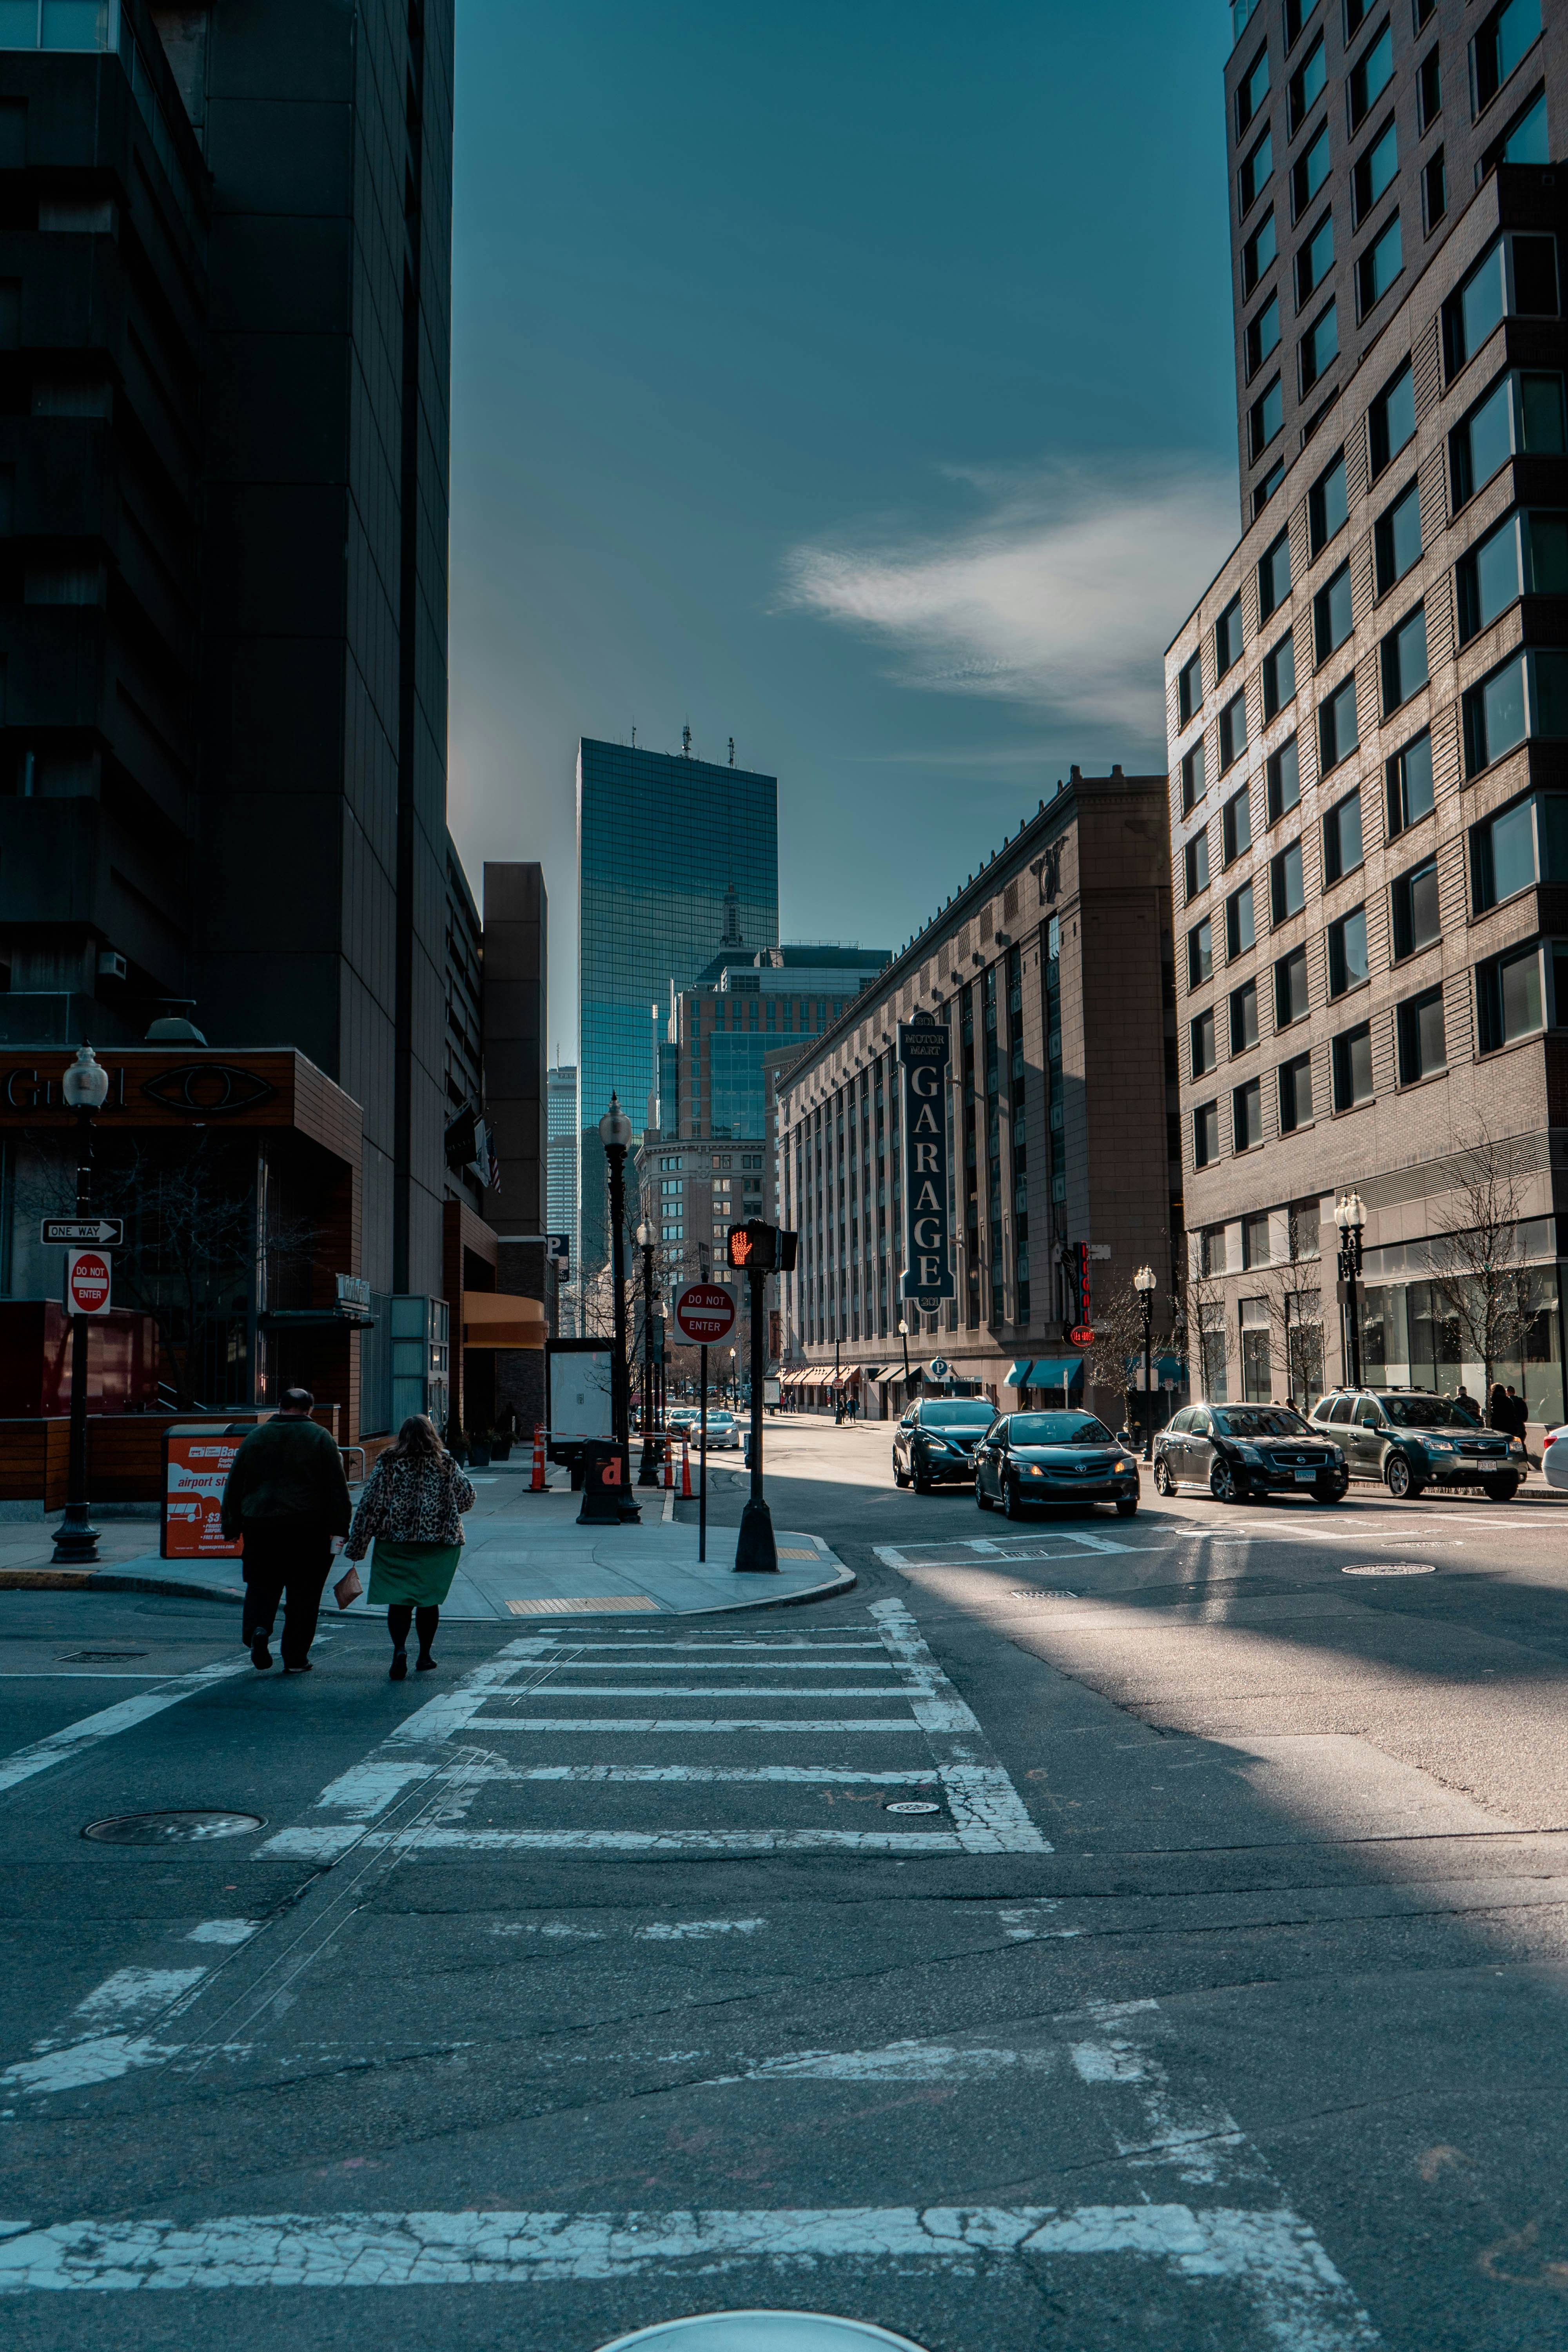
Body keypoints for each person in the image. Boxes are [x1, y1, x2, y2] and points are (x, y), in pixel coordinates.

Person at [221, 1388, 352, 1675]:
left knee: (262, 1585)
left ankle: (258, 1629)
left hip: (261, 1526)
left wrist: (231, 1525)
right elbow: (337, 1489)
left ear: (280, 1407)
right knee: (304, 1595)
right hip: (309, 1529)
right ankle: (295, 1658)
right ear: (309, 1409)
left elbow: (234, 1484)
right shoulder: (320, 1438)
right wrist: (340, 1529)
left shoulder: (255, 1438)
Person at [343, 1414, 476, 1680]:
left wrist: (358, 1546)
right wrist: (445, 1509)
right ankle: (425, 1655)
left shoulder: (388, 1463)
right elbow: (467, 1498)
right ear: (432, 1435)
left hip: (396, 1544)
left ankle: (400, 1649)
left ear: (402, 1436)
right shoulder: (446, 1463)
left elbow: (370, 1506)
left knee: (399, 1601)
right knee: (429, 1601)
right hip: (438, 1545)